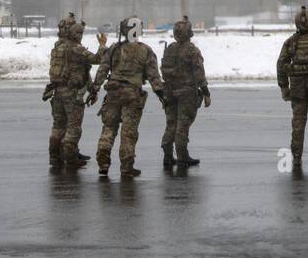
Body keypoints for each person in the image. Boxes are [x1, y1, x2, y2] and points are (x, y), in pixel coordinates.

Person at [91, 16, 165, 179]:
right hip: (132, 95)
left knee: (108, 128)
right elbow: (153, 76)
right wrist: (161, 94)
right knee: (128, 132)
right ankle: (126, 167)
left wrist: (94, 89)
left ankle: (103, 163)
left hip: (113, 94)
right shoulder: (145, 50)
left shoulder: (114, 49)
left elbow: (102, 70)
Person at [45, 14, 107, 170]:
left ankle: (55, 157)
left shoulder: (58, 47)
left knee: (58, 126)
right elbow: (97, 59)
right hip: (72, 94)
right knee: (73, 127)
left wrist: (91, 88)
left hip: (57, 92)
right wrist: (102, 45)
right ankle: (70, 158)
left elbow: (83, 70)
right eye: (79, 33)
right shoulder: (76, 49)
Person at [160, 16, 211, 168]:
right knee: (183, 124)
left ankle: (168, 156)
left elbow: (163, 70)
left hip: (170, 92)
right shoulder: (192, 50)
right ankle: (182, 156)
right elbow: (199, 73)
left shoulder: (169, 49)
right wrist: (206, 93)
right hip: (187, 93)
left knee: (171, 124)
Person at [276, 6, 308, 167]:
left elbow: (281, 64)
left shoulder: (291, 42)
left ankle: (296, 157)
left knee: (298, 123)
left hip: (297, 87)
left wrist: (284, 87)